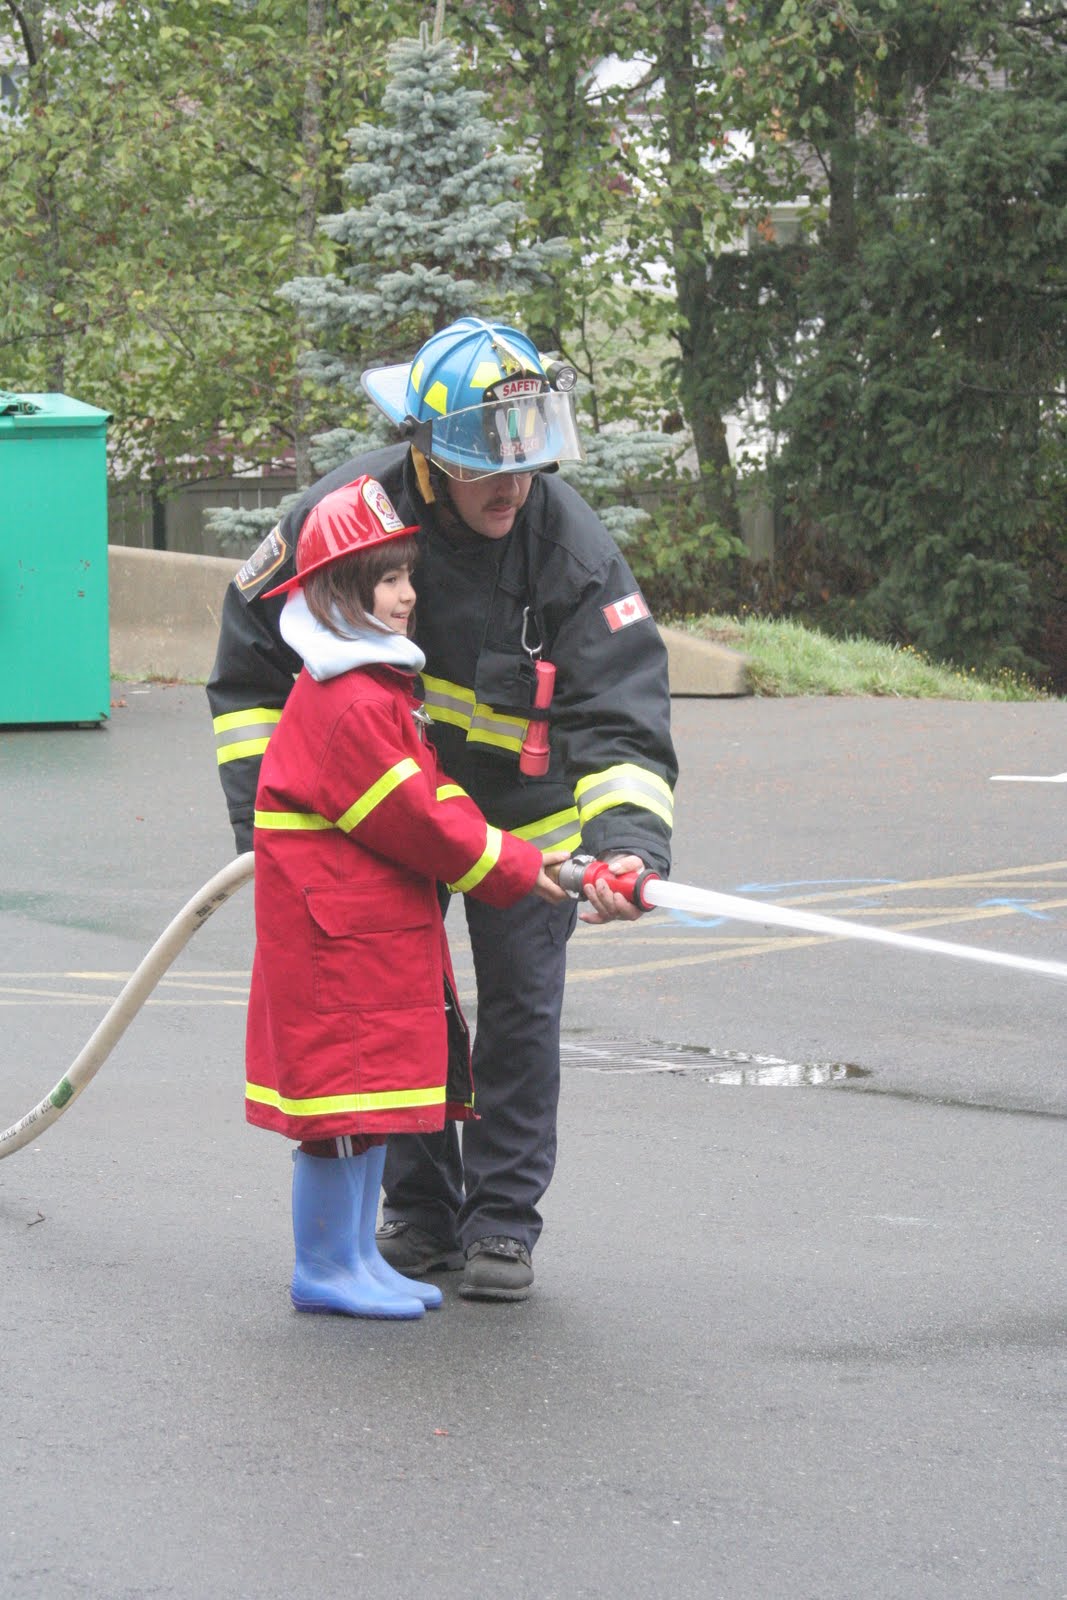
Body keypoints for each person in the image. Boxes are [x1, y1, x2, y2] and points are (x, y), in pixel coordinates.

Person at [208, 315, 677, 1302]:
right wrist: (267, 829)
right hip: (381, 816)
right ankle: (416, 1216)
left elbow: (619, 712)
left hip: (523, 821)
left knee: (519, 1015)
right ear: (426, 451)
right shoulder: (343, 515)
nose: (515, 484)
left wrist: (627, 848)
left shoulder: (568, 544)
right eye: (487, 463)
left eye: (531, 459)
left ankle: (500, 1222)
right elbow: (250, 669)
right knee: (404, 1015)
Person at [245, 473, 569, 1320]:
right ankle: (325, 1265)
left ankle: (354, 1257)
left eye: (406, 578)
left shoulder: (375, 689)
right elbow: (418, 818)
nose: (405, 597)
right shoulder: (351, 702)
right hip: (339, 945)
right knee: (340, 1118)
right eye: (385, 581)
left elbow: (434, 793)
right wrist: (514, 867)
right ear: (335, 593)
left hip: (365, 938)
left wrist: (515, 850)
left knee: (369, 1109)